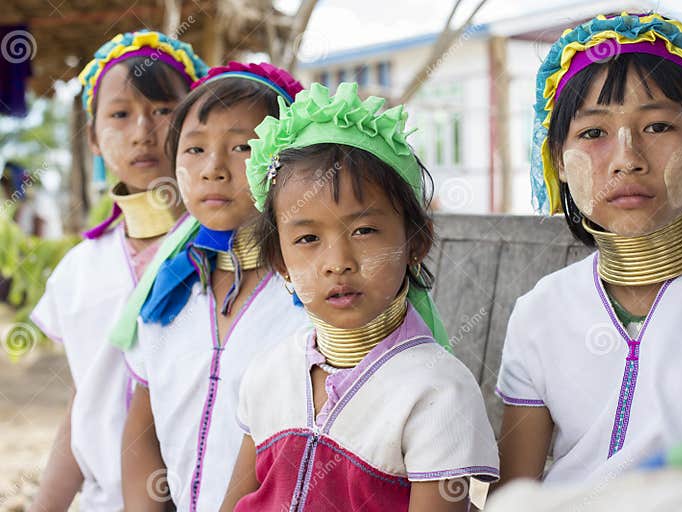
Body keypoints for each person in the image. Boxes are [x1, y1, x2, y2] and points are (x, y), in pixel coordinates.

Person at [495, 12, 682, 484]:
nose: (627, 159)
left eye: (658, 126)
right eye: (593, 133)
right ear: (557, 161)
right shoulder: (540, 313)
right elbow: (515, 493)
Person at [220, 82, 499, 511]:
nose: (338, 261)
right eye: (308, 237)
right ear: (279, 261)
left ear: (415, 243)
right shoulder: (269, 371)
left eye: (364, 230)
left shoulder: (438, 392)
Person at [29, 30, 207, 511]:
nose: (142, 131)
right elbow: (85, 404)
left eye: (163, 109)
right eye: (120, 114)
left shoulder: (224, 250)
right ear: (93, 137)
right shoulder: (78, 270)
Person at [120, 62, 309, 512]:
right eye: (194, 149)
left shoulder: (314, 296)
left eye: (242, 146)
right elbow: (142, 431)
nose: (213, 169)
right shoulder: (169, 290)